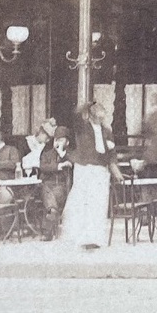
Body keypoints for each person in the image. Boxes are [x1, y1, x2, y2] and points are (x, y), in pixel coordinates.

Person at [62, 102, 118, 250]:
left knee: (99, 203)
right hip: (84, 169)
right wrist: (89, 104)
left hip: (101, 170)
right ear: (91, 115)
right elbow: (74, 115)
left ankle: (95, 238)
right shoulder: (82, 127)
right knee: (82, 203)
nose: (100, 120)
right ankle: (81, 238)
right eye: (97, 117)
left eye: (102, 117)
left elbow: (112, 152)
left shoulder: (107, 131)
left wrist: (114, 169)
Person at [38, 126, 74, 241]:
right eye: (56, 140)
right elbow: (43, 167)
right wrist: (59, 166)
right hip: (47, 185)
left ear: (67, 142)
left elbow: (73, 164)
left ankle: (48, 230)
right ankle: (53, 211)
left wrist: (62, 155)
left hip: (62, 186)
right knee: (47, 191)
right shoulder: (47, 154)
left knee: (55, 194)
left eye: (61, 140)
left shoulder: (71, 154)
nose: (58, 142)